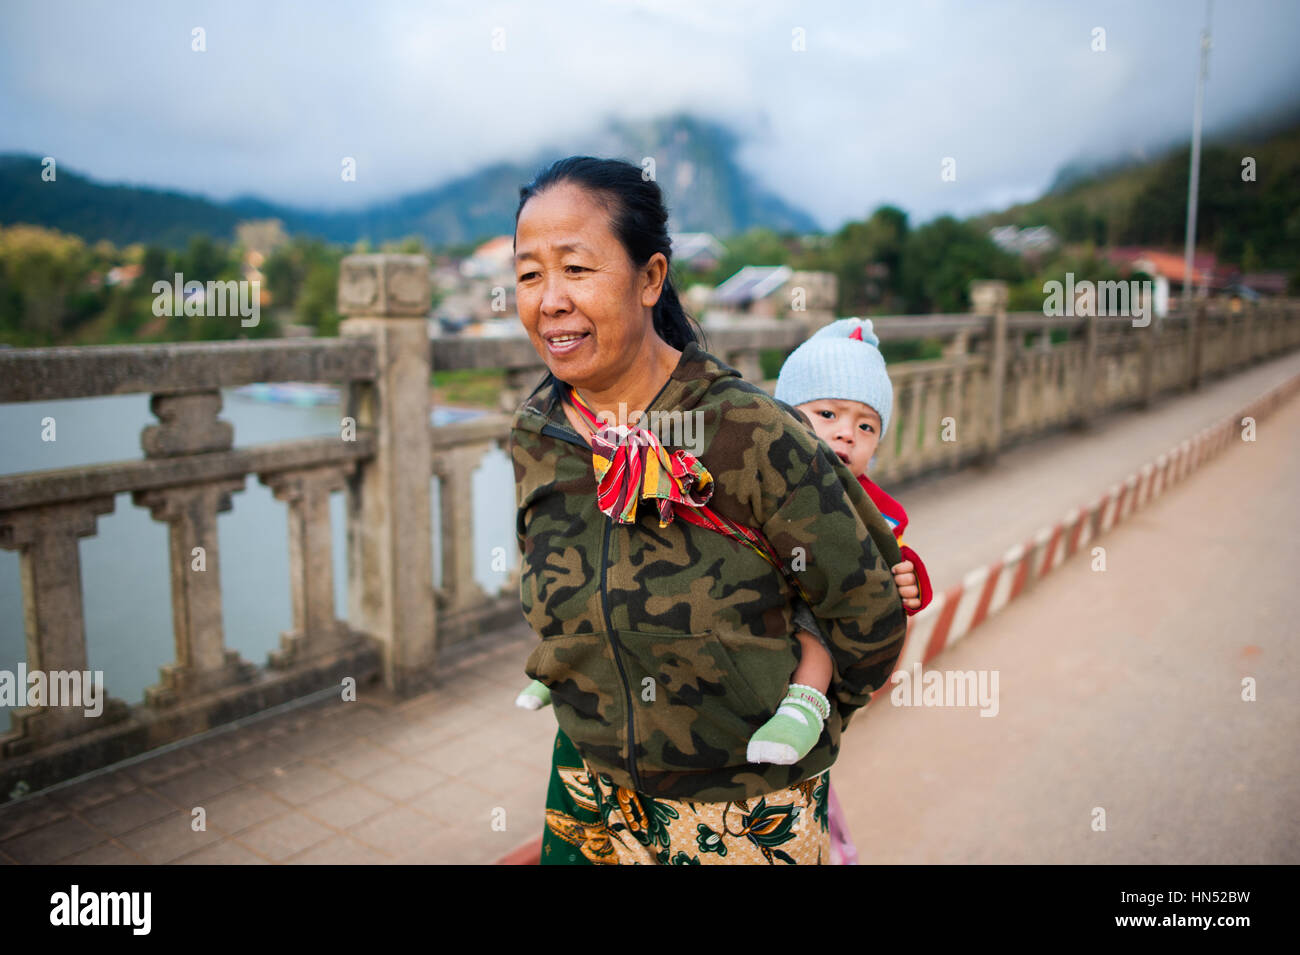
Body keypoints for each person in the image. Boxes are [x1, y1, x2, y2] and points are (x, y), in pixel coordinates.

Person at [507, 155, 908, 865]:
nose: (550, 299)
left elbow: (868, 615)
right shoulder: (540, 434)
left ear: (651, 277)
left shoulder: (748, 429)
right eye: (530, 273)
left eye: (576, 268)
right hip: (586, 786)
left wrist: (789, 735)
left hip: (740, 817)